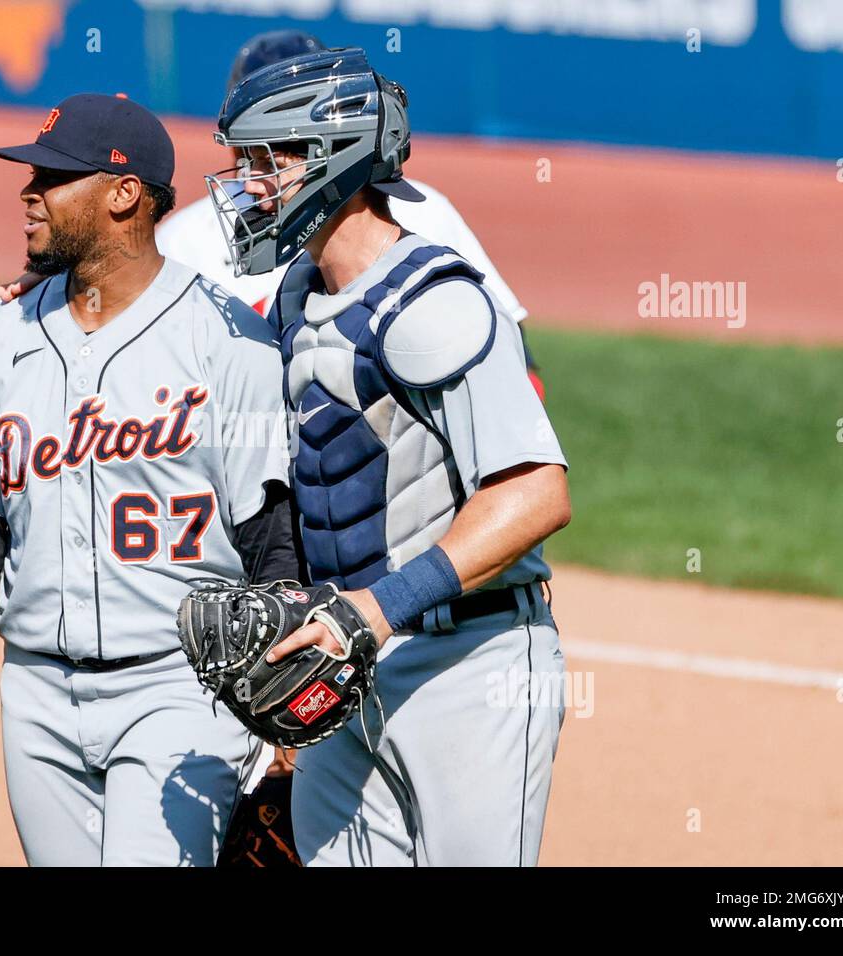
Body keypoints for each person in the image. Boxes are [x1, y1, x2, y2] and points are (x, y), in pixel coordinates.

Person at [0, 93, 298, 866]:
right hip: (37, 696)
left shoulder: (227, 342)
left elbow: (273, 546)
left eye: (53, 176)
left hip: (180, 691)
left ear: (124, 194)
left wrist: (286, 737)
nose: (29, 192)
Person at [210, 47, 572, 866]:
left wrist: (374, 610)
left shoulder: (435, 303)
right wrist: (57, 284)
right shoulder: (299, 299)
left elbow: (536, 494)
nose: (246, 187)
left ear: (328, 161)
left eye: (264, 164)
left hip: (468, 668)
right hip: (345, 674)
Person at [0, 31, 545, 401]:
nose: (251, 181)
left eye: (269, 156)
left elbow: (519, 371)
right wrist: (65, 276)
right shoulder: (194, 235)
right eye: (247, 154)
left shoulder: (422, 230)